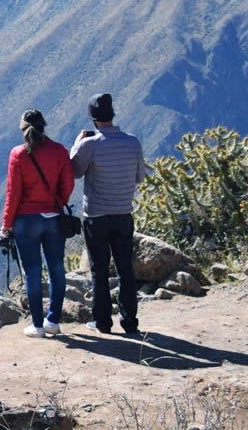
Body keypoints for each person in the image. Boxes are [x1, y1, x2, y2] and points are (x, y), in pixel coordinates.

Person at [69, 92, 148, 336]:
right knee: (125, 269)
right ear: (112, 116)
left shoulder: (89, 145)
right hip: (123, 214)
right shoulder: (132, 142)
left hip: (96, 217)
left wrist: (76, 144)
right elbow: (140, 177)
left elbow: (74, 172)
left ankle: (103, 322)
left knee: (99, 270)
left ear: (93, 120)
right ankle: (130, 322)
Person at [0, 108, 74, 338]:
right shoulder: (60, 152)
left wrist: (6, 225)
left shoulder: (18, 154)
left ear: (23, 129)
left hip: (25, 221)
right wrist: (58, 203)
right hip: (53, 219)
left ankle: (38, 326)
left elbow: (13, 194)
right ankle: (53, 320)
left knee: (32, 273)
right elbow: (68, 184)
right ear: (44, 126)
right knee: (57, 269)